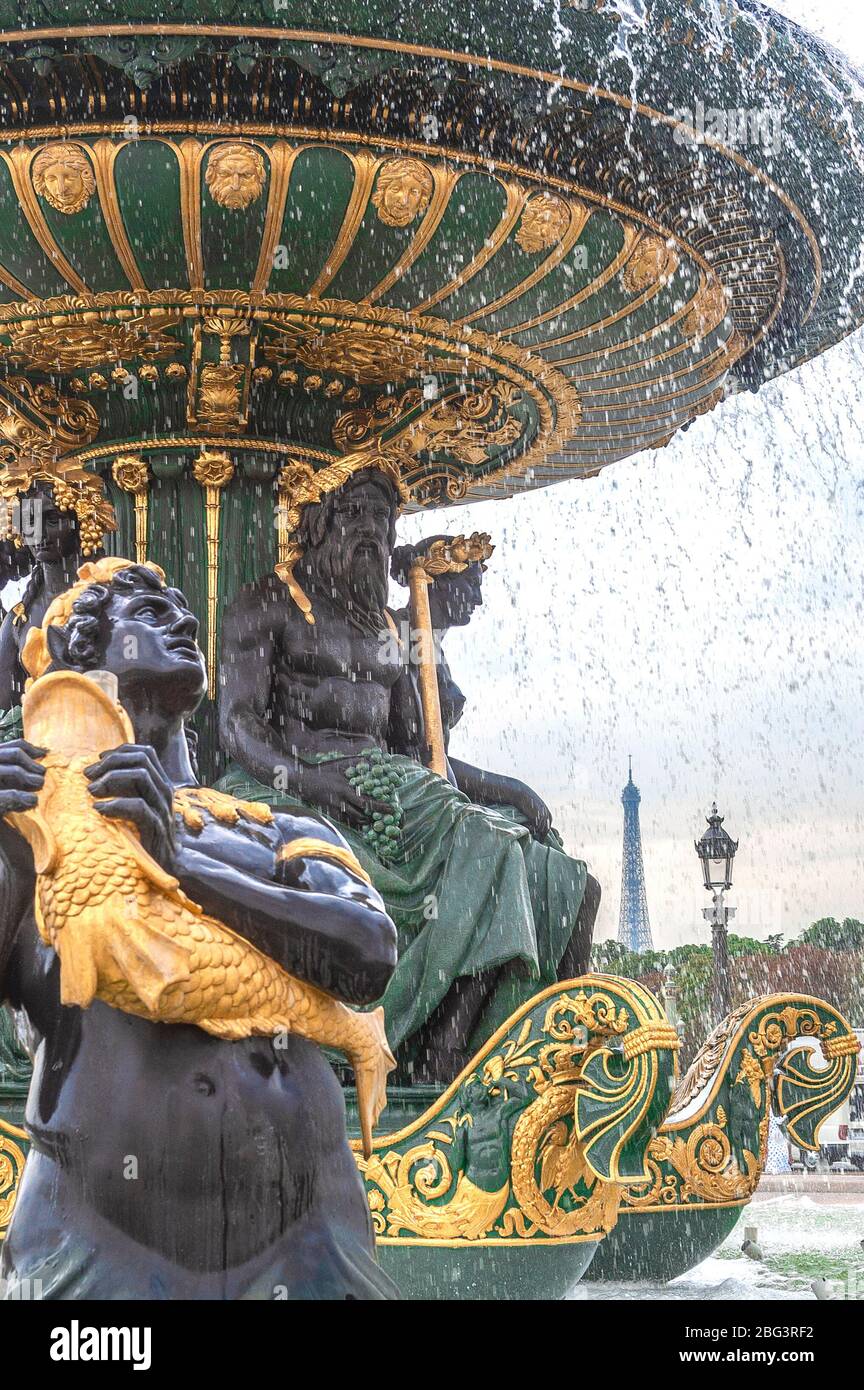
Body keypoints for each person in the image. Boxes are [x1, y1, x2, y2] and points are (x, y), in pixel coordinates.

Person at [0, 557, 398, 1299]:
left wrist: (182, 861)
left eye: (183, 610)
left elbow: (368, 955)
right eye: (148, 610)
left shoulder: (276, 830)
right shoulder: (29, 831)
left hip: (307, 1236)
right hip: (103, 1237)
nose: (182, 621)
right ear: (84, 650)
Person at [219, 454, 599, 1083]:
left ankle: (528, 1052)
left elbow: (420, 752)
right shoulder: (267, 605)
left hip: (392, 788)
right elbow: (237, 727)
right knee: (490, 849)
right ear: (316, 520)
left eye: (385, 520)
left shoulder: (388, 629)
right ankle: (434, 1057)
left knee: (566, 882)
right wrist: (313, 782)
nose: (375, 532)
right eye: (358, 514)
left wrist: (513, 791)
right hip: (289, 785)